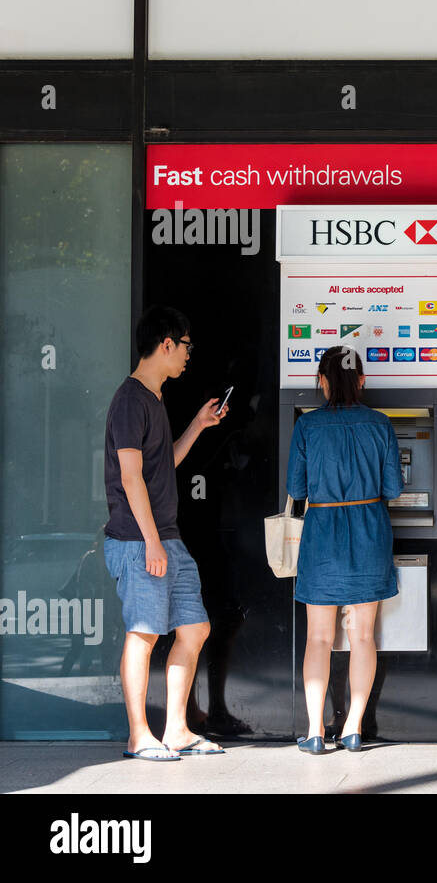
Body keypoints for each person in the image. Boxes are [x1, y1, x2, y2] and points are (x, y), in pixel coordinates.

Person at [103, 306, 227, 761]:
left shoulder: (153, 400)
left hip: (164, 538)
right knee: (143, 634)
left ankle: (177, 730)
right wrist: (152, 542)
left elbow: (160, 470)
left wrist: (197, 425)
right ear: (167, 344)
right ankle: (139, 736)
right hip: (140, 541)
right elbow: (131, 477)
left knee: (194, 627)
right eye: (187, 346)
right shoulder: (130, 400)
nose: (189, 356)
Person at [287, 345, 402, 754]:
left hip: (322, 536)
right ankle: (353, 727)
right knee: (363, 636)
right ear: (361, 380)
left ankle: (316, 731)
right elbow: (393, 488)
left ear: (322, 382)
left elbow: (297, 490)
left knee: (319, 638)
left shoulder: (308, 426)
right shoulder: (380, 424)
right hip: (369, 531)